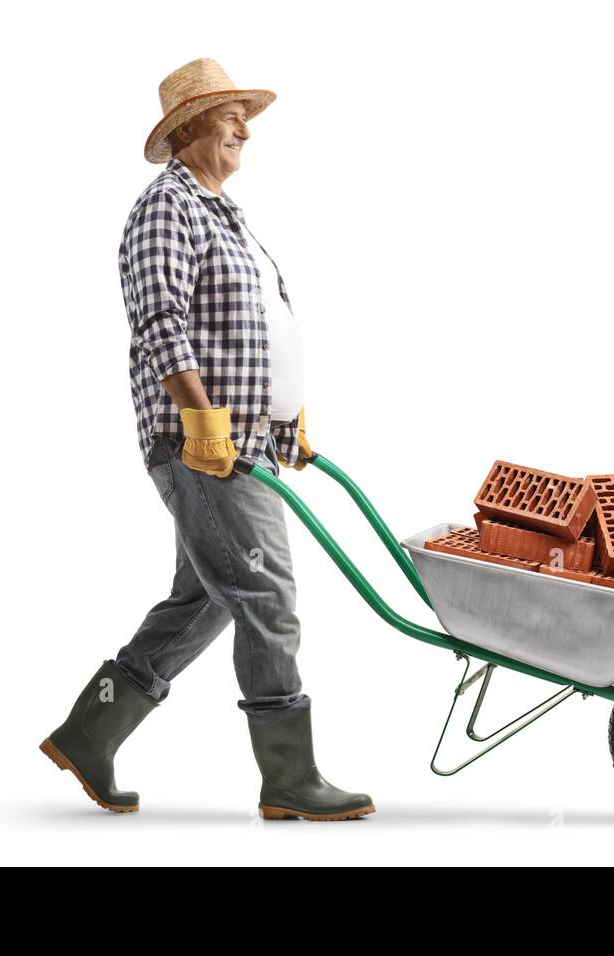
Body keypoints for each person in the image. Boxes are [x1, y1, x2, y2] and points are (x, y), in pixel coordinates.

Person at [40, 58, 374, 822]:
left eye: (243, 115)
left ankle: (89, 732)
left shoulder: (225, 212)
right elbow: (162, 324)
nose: (244, 127)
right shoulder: (168, 207)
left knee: (206, 597)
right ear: (186, 127)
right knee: (267, 595)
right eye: (229, 114)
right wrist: (202, 420)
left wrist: (284, 422)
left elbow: (253, 331)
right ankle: (289, 778)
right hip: (205, 444)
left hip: (245, 439)